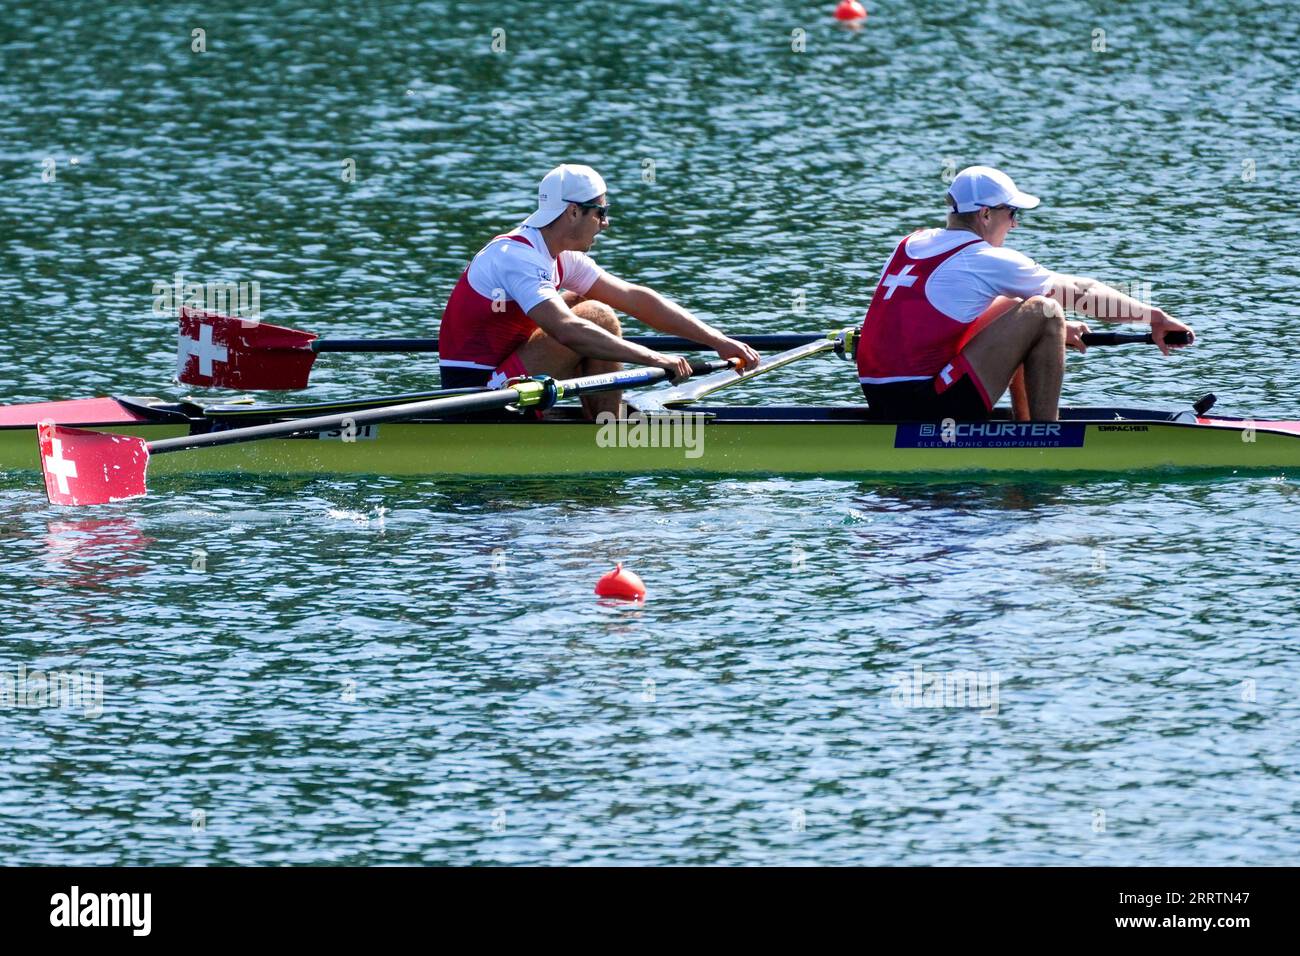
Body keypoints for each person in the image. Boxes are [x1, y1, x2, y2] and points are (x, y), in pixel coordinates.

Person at [856, 165, 1194, 421]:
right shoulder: (982, 258)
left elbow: (945, 315)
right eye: (1012, 213)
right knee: (1046, 311)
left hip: (883, 398)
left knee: (1024, 306)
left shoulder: (911, 244)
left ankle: (1026, 423)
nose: (1015, 224)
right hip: (927, 407)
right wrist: (1155, 317)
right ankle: (1044, 437)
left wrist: (1041, 330)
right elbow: (1081, 292)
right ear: (986, 214)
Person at [438, 164, 760, 418]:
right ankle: (609, 433)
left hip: (511, 383)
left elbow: (636, 299)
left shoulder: (561, 257)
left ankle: (604, 425)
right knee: (596, 316)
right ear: (573, 212)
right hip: (477, 399)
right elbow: (568, 331)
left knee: (586, 301)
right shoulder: (517, 257)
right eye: (601, 212)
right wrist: (654, 359)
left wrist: (719, 341)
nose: (605, 224)